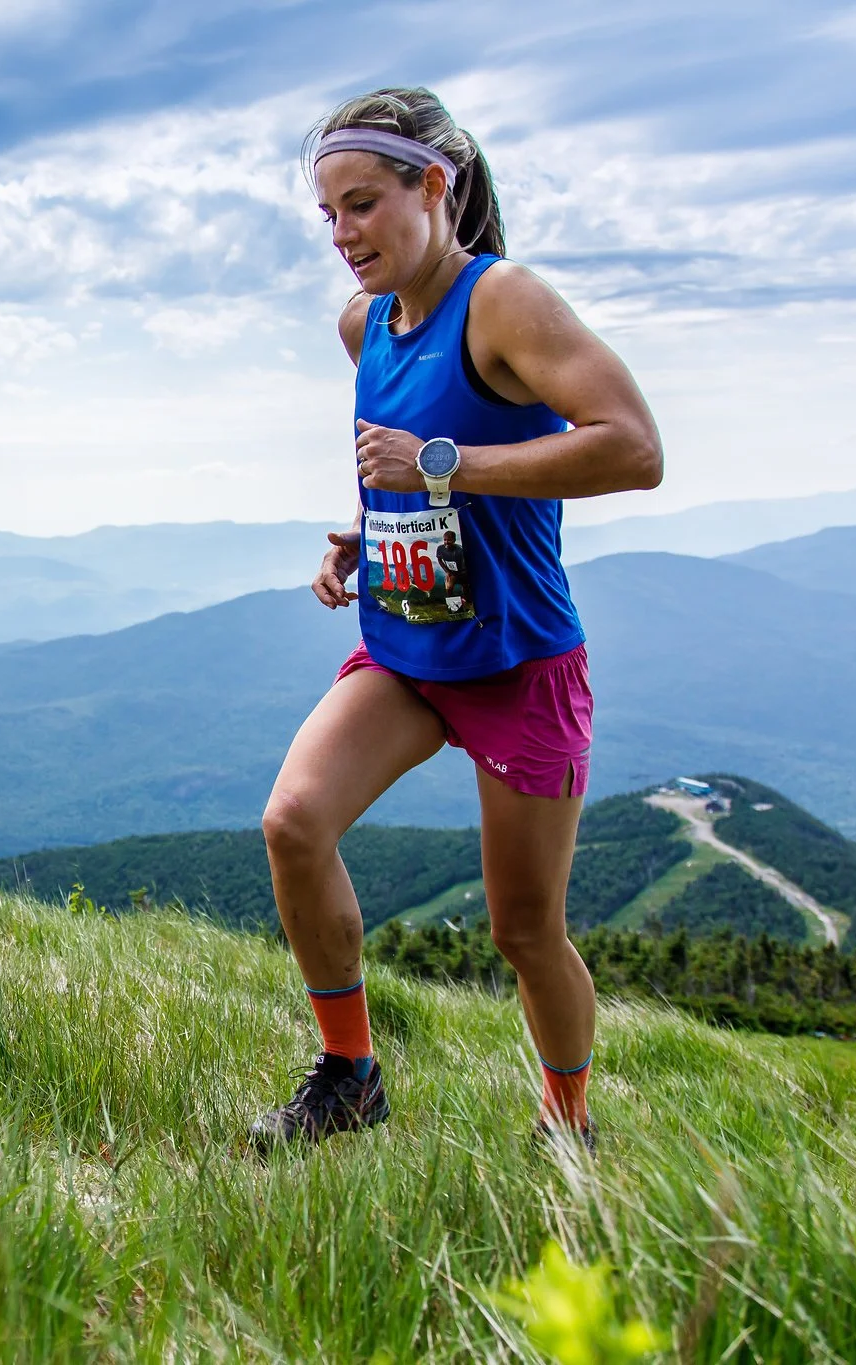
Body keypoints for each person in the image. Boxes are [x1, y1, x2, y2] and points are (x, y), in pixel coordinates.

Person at [248, 87, 662, 1152]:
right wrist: (364, 530)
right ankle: (349, 1077)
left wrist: (442, 466)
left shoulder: (505, 301)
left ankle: (565, 1127)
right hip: (408, 645)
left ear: (434, 186)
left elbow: (631, 446)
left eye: (361, 204)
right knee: (293, 823)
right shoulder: (365, 325)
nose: (342, 236)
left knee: (524, 931)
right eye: (327, 215)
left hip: (517, 661)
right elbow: (405, 460)